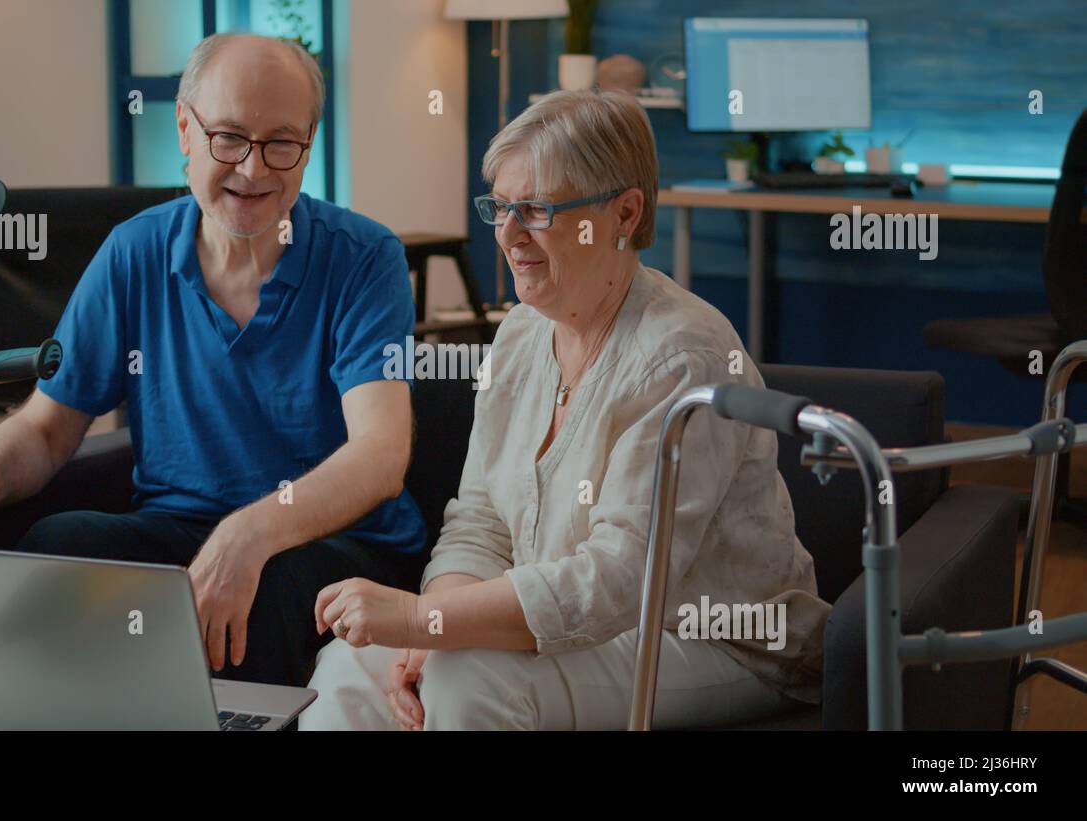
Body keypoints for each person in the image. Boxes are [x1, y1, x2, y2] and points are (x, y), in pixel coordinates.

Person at [0, 33, 426, 688]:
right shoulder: (134, 251)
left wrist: (249, 534)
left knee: (272, 595)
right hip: (176, 530)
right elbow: (50, 425)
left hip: (337, 545)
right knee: (61, 548)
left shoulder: (364, 258)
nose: (253, 170)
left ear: (309, 143)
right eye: (228, 137)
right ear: (185, 130)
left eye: (281, 143)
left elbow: (380, 455)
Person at [299, 89, 831, 730]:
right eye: (500, 207)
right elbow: (481, 523)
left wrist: (422, 620)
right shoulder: (520, 334)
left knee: (470, 678)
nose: (508, 234)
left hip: (715, 640)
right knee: (341, 672)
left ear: (625, 213)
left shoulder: (684, 355)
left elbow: (620, 578)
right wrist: (433, 625)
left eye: (537, 209)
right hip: (580, 630)